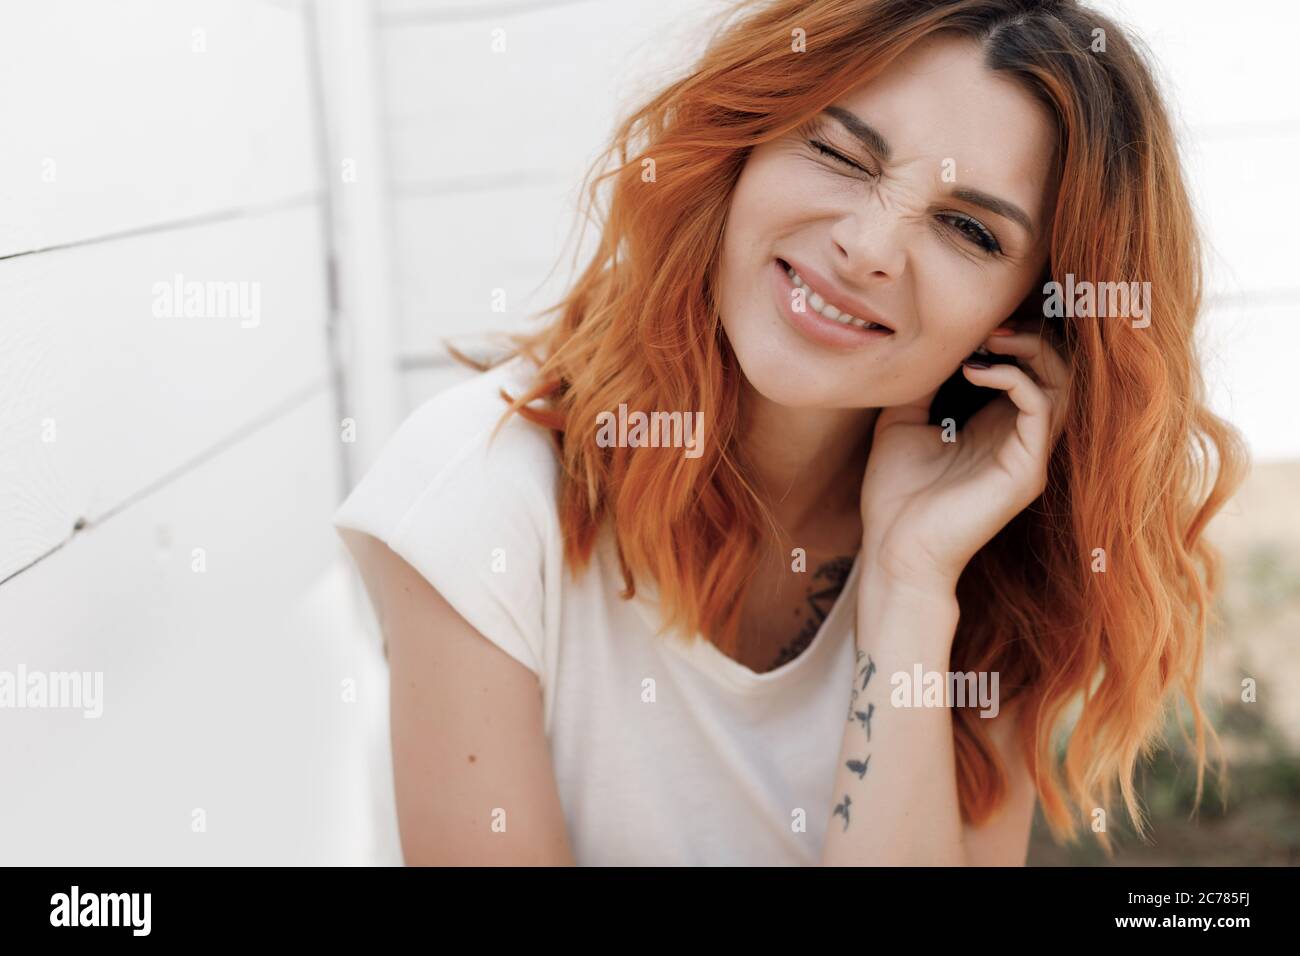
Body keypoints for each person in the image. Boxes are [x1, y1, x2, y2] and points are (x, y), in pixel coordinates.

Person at [335, 0, 1246, 865]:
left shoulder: (992, 548)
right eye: (841, 154)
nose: (868, 248)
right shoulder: (476, 491)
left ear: (1030, 317)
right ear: (743, 143)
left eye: (968, 229)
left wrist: (910, 583)